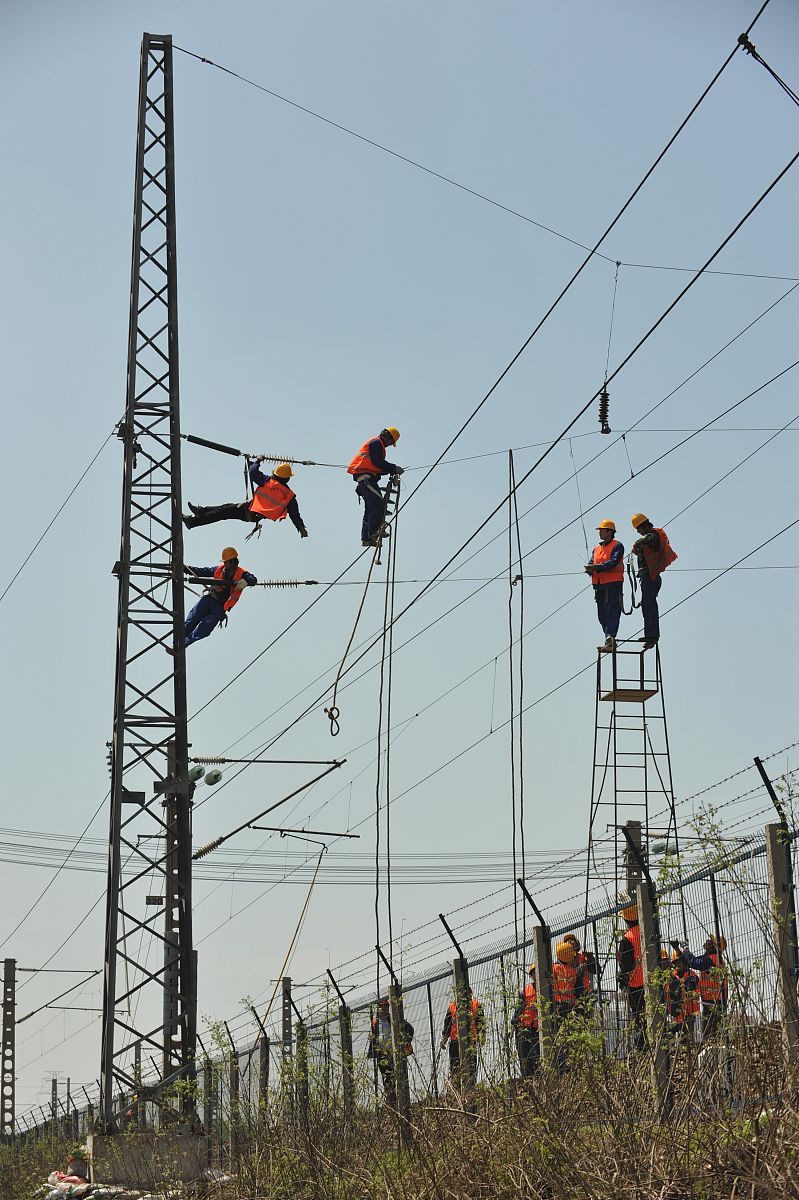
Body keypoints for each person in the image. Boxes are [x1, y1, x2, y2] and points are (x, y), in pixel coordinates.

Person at [182, 461, 308, 538]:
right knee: (226, 507)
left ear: (275, 474)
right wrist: (301, 528)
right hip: (252, 514)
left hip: (248, 511)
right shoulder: (289, 496)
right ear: (288, 479)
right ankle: (201, 511)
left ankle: (193, 522)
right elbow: (295, 515)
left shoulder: (268, 481)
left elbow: (252, 473)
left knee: (220, 513)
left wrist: (257, 461)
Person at [174, 547, 257, 650]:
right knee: (191, 620)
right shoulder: (219, 570)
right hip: (209, 600)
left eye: (226, 562)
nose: (224, 564)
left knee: (202, 630)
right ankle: (176, 644)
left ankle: (182, 644)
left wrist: (246, 581)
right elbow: (201, 571)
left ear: (233, 562)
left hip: (219, 609)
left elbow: (253, 579)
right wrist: (184, 568)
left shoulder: (242, 573)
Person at [347, 427, 403, 546]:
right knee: (378, 505)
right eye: (391, 442)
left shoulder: (376, 444)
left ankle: (366, 539)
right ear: (388, 437)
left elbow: (376, 467)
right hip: (366, 479)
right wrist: (393, 467)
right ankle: (374, 532)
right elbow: (377, 462)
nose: (389, 445)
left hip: (365, 479)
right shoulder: (376, 443)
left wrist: (390, 470)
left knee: (370, 508)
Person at [630, 513, 677, 649]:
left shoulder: (653, 534)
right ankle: (650, 634)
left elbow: (646, 540)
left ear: (643, 526)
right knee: (646, 605)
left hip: (651, 576)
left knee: (649, 605)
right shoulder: (649, 536)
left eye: (638, 529)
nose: (638, 532)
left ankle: (652, 635)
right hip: (647, 576)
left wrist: (638, 544)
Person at [674, 935, 728, 1038]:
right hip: (714, 1001)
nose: (707, 940)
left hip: (714, 1002)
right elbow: (689, 962)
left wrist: (685, 948)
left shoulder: (711, 960)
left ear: (713, 946)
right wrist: (678, 950)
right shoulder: (713, 959)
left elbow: (693, 962)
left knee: (710, 1033)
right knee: (711, 1032)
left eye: (710, 941)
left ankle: (712, 1046)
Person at [584, 520, 625, 651]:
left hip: (613, 583)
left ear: (610, 531)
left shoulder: (617, 545)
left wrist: (597, 567)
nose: (600, 533)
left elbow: (613, 562)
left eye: (602, 530)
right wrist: (590, 569)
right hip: (599, 585)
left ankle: (610, 637)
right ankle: (609, 639)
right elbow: (592, 562)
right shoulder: (596, 549)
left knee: (612, 610)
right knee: (602, 614)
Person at [367, 996, 414, 1107]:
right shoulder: (375, 1022)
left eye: (386, 1007)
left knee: (397, 1076)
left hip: (393, 1053)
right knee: (387, 1079)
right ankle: (391, 1102)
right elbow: (375, 1037)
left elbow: (409, 1029)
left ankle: (401, 1102)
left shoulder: (394, 1019)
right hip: (382, 1055)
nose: (384, 1009)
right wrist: (372, 1040)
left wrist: (405, 1043)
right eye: (382, 1007)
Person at [551, 940, 587, 1073]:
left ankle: (563, 1066)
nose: (574, 958)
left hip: (558, 1007)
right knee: (569, 1037)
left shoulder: (553, 969)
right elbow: (579, 989)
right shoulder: (572, 971)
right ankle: (569, 1065)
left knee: (560, 1037)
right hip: (568, 1007)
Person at [616, 900, 646, 1051]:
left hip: (635, 984)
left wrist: (622, 981)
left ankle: (642, 1047)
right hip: (650, 981)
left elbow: (627, 966)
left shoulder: (627, 938)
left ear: (625, 918)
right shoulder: (646, 930)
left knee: (639, 1017)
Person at [440, 986, 485, 1083]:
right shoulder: (452, 1007)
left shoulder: (475, 1005)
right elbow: (447, 1024)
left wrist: (482, 1037)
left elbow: (481, 1022)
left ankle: (471, 1086)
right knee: (455, 1068)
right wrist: (444, 1039)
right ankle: (456, 1087)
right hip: (455, 1042)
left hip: (470, 1041)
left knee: (470, 1067)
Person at [511, 964, 540, 1079]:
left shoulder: (546, 988)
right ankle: (527, 1081)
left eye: (537, 972)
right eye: (533, 973)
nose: (535, 975)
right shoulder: (526, 990)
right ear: (531, 976)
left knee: (536, 1057)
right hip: (523, 1029)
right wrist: (513, 1025)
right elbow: (518, 1009)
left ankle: (537, 1080)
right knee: (524, 1057)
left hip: (537, 1030)